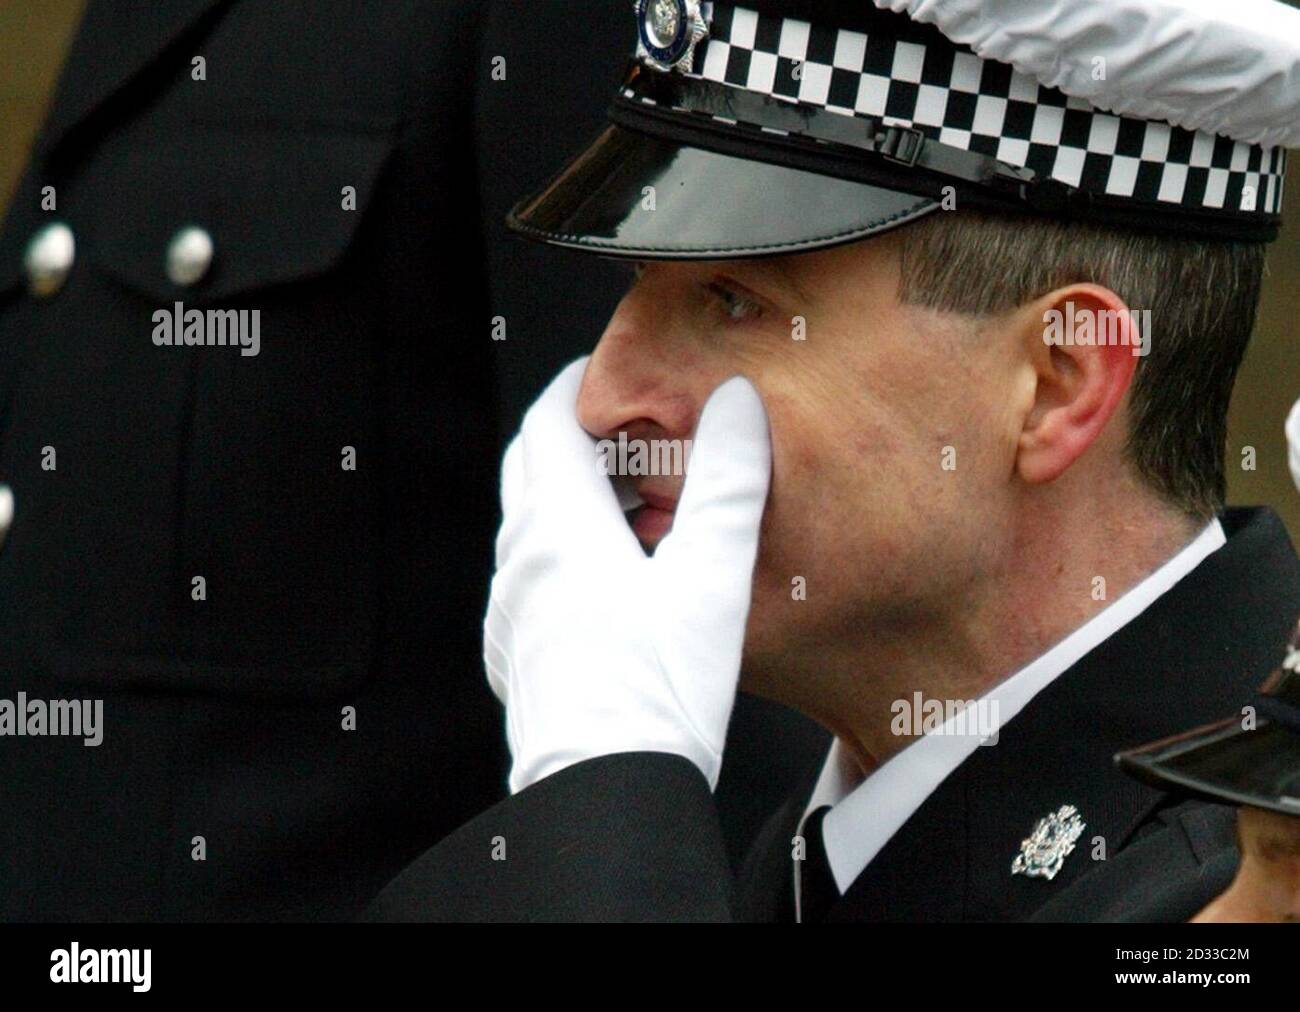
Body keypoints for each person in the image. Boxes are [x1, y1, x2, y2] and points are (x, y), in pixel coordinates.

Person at [368, 0, 1300, 922]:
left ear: (1058, 383)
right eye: (635, 283)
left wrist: (598, 816)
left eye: (734, 301)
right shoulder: (833, 847)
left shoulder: (1245, 883)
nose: (602, 402)